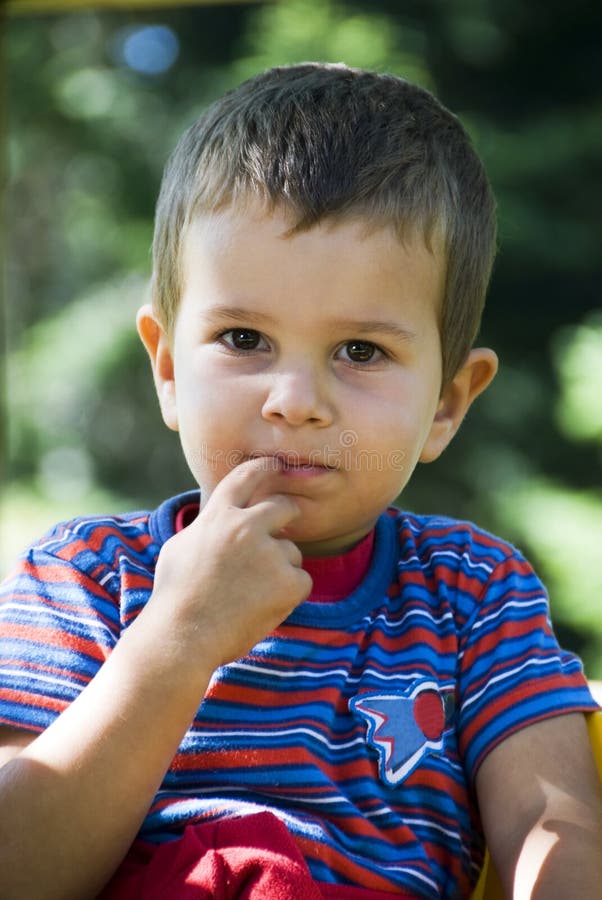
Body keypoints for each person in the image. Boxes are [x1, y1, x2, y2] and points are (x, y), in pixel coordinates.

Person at [0, 63, 600, 900]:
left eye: (360, 352)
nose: (294, 402)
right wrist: (176, 643)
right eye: (244, 338)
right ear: (169, 368)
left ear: (446, 404)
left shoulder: (475, 598)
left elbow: (557, 835)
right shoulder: (85, 579)